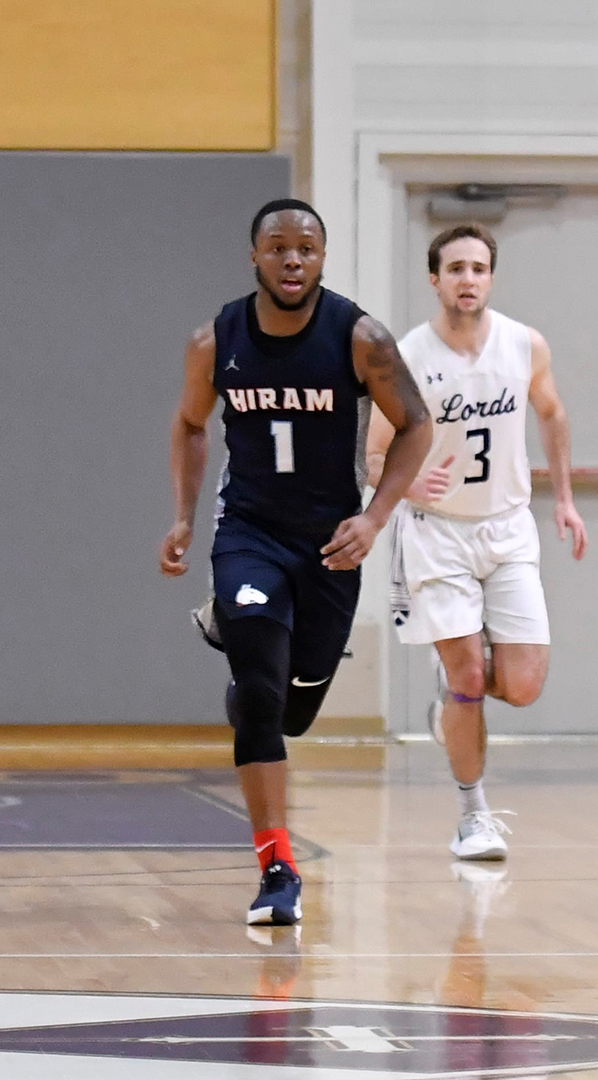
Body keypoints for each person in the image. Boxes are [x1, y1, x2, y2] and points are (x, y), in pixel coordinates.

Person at [160, 199, 432, 925]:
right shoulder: (215, 339)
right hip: (248, 532)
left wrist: (374, 519)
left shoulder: (358, 337)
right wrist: (185, 518)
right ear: (254, 256)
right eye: (277, 248)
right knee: (257, 688)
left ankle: (260, 668)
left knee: (296, 709)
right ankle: (277, 868)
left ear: (322, 258)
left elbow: (417, 425)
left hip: (329, 543)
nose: (291, 260)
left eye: (305, 249)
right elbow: (190, 424)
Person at [366, 224, 588, 862]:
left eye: (479, 268)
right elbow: (373, 456)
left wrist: (566, 500)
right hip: (437, 533)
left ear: (492, 277)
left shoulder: (525, 345)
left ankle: (454, 693)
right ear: (433, 279)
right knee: (468, 676)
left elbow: (551, 412)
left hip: (508, 528)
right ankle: (473, 815)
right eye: (456, 268)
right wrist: (410, 484)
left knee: (522, 685)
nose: (468, 279)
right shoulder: (405, 358)